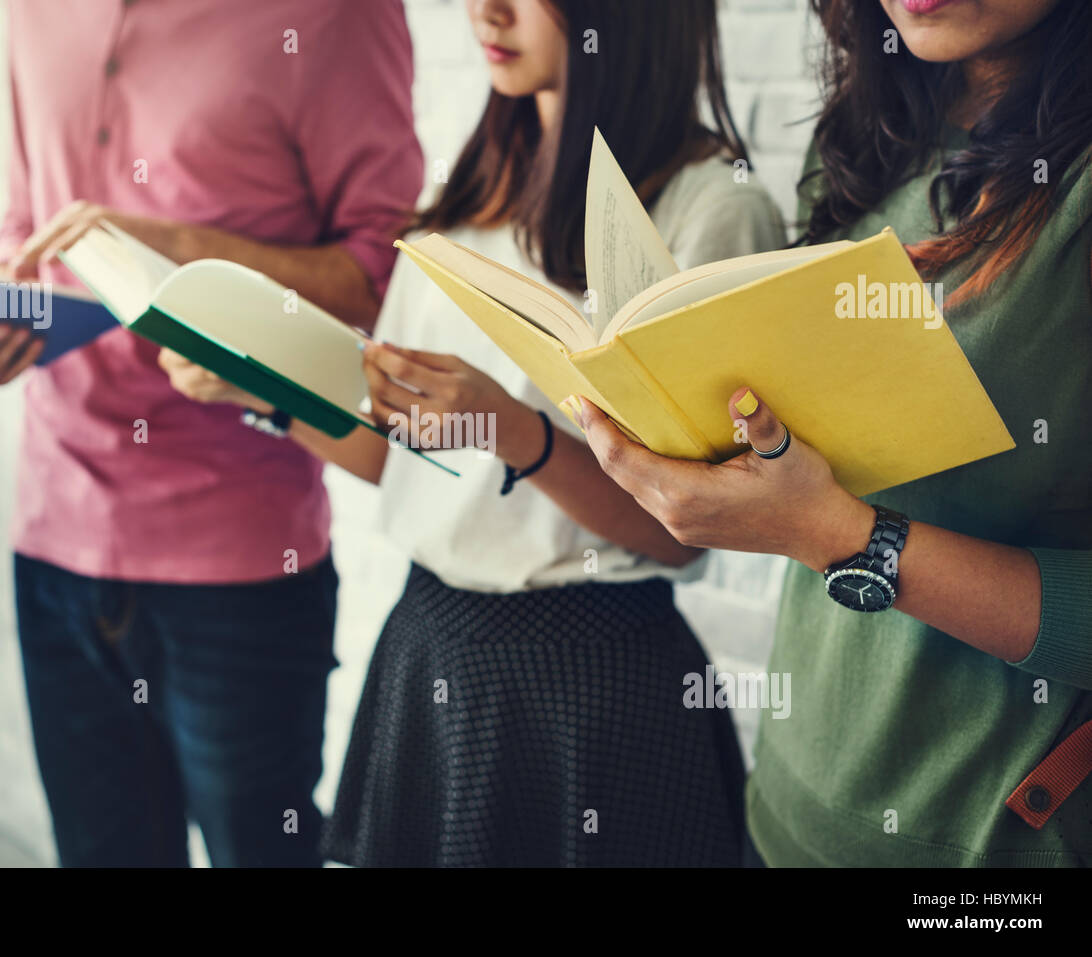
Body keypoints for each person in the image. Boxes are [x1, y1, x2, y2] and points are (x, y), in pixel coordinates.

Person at [164, 0, 785, 865]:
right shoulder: (471, 191)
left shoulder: (710, 208)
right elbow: (397, 457)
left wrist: (512, 429)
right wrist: (256, 385)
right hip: (428, 645)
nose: (486, 11)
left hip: (597, 677)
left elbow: (679, 533)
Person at [574, 0, 1092, 866]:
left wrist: (839, 537)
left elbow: (830, 519)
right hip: (789, 804)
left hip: (984, 851)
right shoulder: (873, 131)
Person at [0, 0, 422, 866]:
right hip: (55, 533)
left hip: (241, 558)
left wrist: (178, 250)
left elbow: (384, 273)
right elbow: (27, 221)